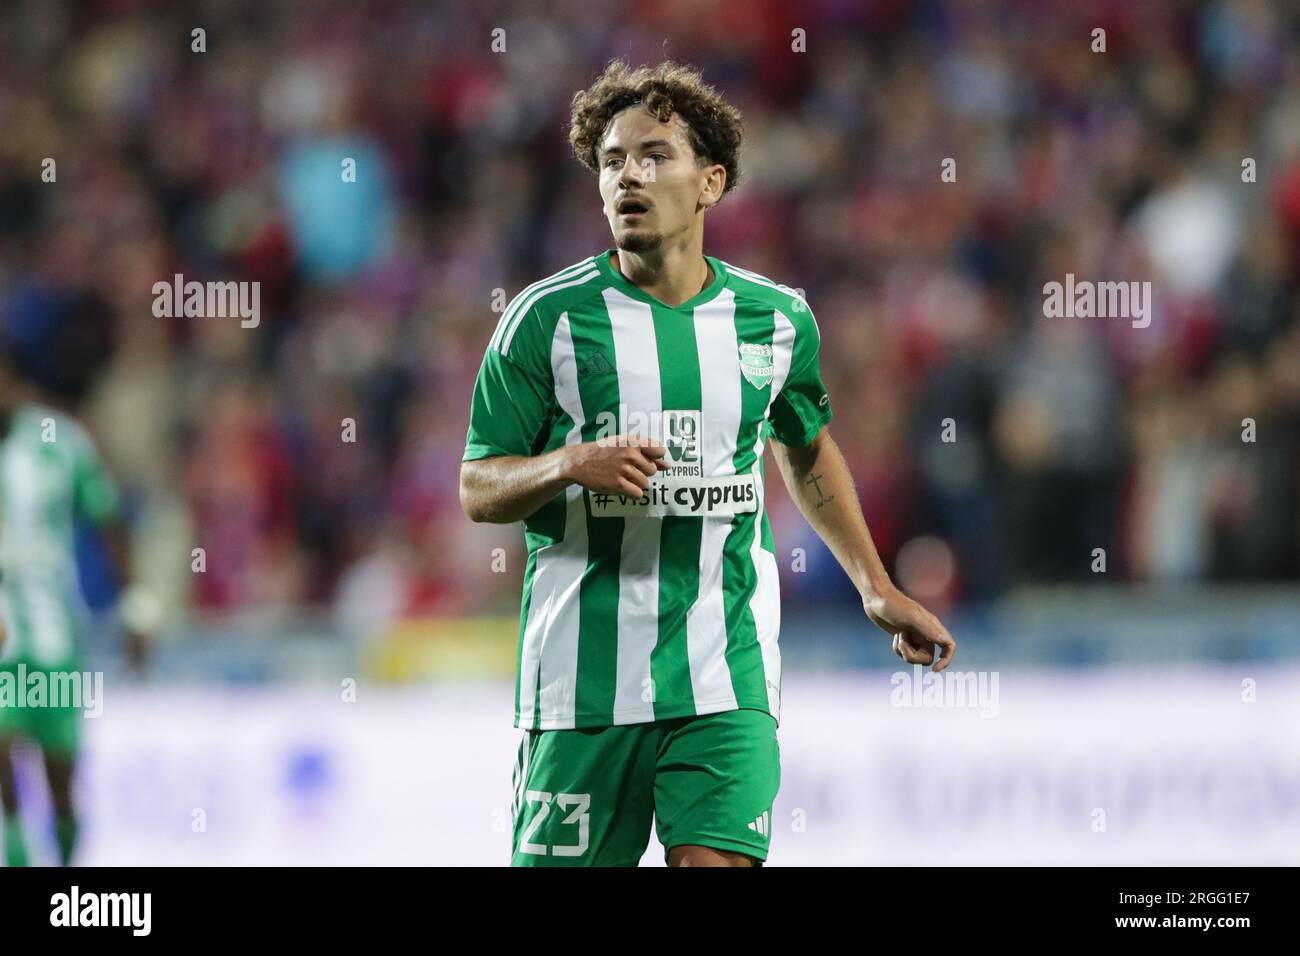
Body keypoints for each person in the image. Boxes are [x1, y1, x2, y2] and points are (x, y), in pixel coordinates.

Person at [459, 59, 956, 867]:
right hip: (582, 688)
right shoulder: (542, 321)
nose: (628, 175)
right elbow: (478, 486)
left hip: (724, 670)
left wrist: (876, 585)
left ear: (709, 182)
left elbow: (806, 443)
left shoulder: (775, 320)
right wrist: (564, 465)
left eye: (654, 155)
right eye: (613, 160)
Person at [0, 344, 152, 866]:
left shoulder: (60, 443)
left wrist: (136, 607)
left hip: (54, 632)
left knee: (60, 776)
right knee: (4, 758)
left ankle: (67, 872)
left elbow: (109, 522)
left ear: (16, 384)